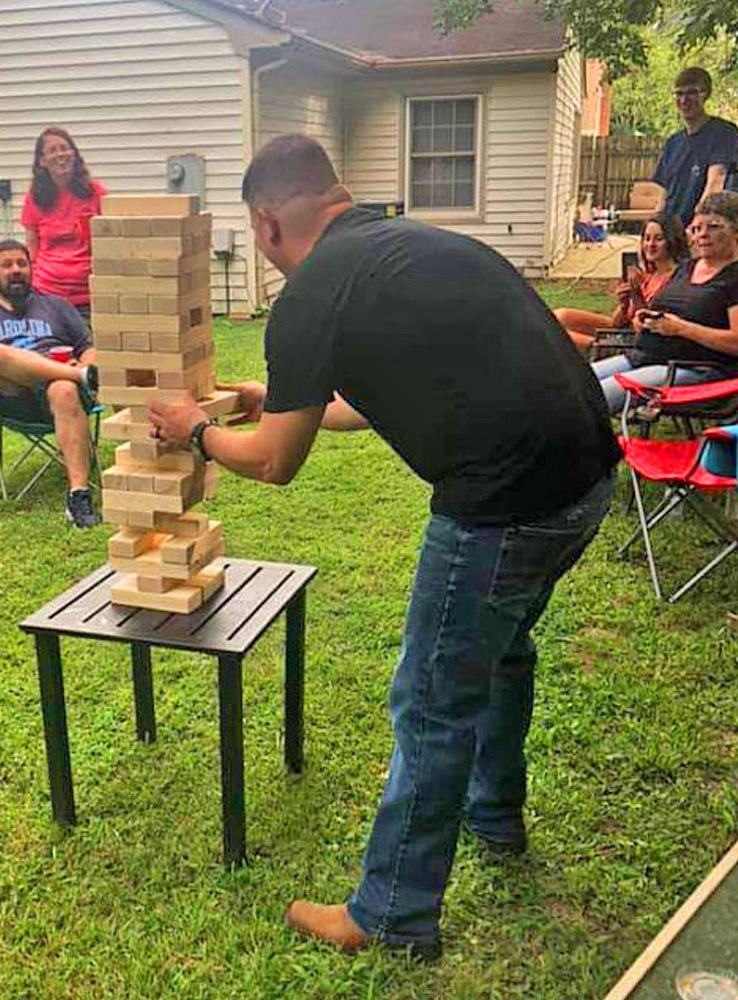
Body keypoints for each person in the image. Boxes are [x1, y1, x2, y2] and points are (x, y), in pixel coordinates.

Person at [148, 135, 620, 960]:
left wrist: (194, 430)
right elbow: (362, 402)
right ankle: (494, 814)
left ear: (265, 224)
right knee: (501, 653)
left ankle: (392, 914)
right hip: (587, 483)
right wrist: (275, 396)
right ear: (337, 193)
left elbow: (272, 461)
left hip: (501, 504)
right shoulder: (413, 243)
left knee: (432, 700)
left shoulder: (309, 295)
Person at [0, 238, 100, 528]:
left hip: (59, 400)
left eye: (22, 263)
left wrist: (87, 364)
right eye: (6, 265)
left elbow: (88, 347)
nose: (16, 270)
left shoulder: (57, 305)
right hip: (13, 399)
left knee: (64, 389)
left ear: (32, 269)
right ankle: (77, 377)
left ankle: (78, 496)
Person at [592, 191, 738, 412]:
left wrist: (681, 328)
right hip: (644, 357)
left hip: (697, 371)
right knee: (574, 383)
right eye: (697, 228)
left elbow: (737, 343)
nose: (702, 234)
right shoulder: (686, 269)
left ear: (737, 231)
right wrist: (643, 317)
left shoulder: (735, 278)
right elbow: (654, 314)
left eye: (714, 227)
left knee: (594, 400)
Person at [554, 213, 688, 353]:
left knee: (558, 338)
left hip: (635, 343)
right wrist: (623, 304)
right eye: (647, 238)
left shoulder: (676, 279)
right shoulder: (647, 275)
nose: (650, 245)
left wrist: (636, 294)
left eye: (658, 239)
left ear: (672, 240)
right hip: (621, 331)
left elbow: (648, 327)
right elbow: (615, 323)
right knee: (560, 316)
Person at [21, 126, 106, 325]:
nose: (61, 155)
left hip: (90, 294)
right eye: (52, 151)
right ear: (42, 161)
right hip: (48, 295)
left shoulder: (96, 193)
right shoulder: (34, 198)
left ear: (74, 154)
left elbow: (111, 238)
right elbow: (32, 250)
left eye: (65, 148)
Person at [651, 67, 738, 225]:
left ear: (706, 95)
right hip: (673, 234)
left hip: (702, 233)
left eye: (691, 92)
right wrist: (654, 226)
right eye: (679, 94)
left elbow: (715, 183)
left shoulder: (723, 133)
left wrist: (697, 227)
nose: (684, 100)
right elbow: (664, 194)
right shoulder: (673, 143)